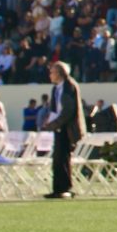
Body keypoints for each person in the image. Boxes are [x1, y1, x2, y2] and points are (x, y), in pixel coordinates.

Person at [44, 59, 83, 200]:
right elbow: (55, 109)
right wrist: (50, 121)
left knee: (63, 158)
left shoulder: (69, 86)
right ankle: (57, 188)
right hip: (58, 127)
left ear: (60, 73)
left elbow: (68, 110)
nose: (50, 75)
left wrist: (55, 123)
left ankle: (65, 188)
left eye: (52, 72)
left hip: (67, 128)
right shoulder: (56, 88)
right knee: (57, 158)